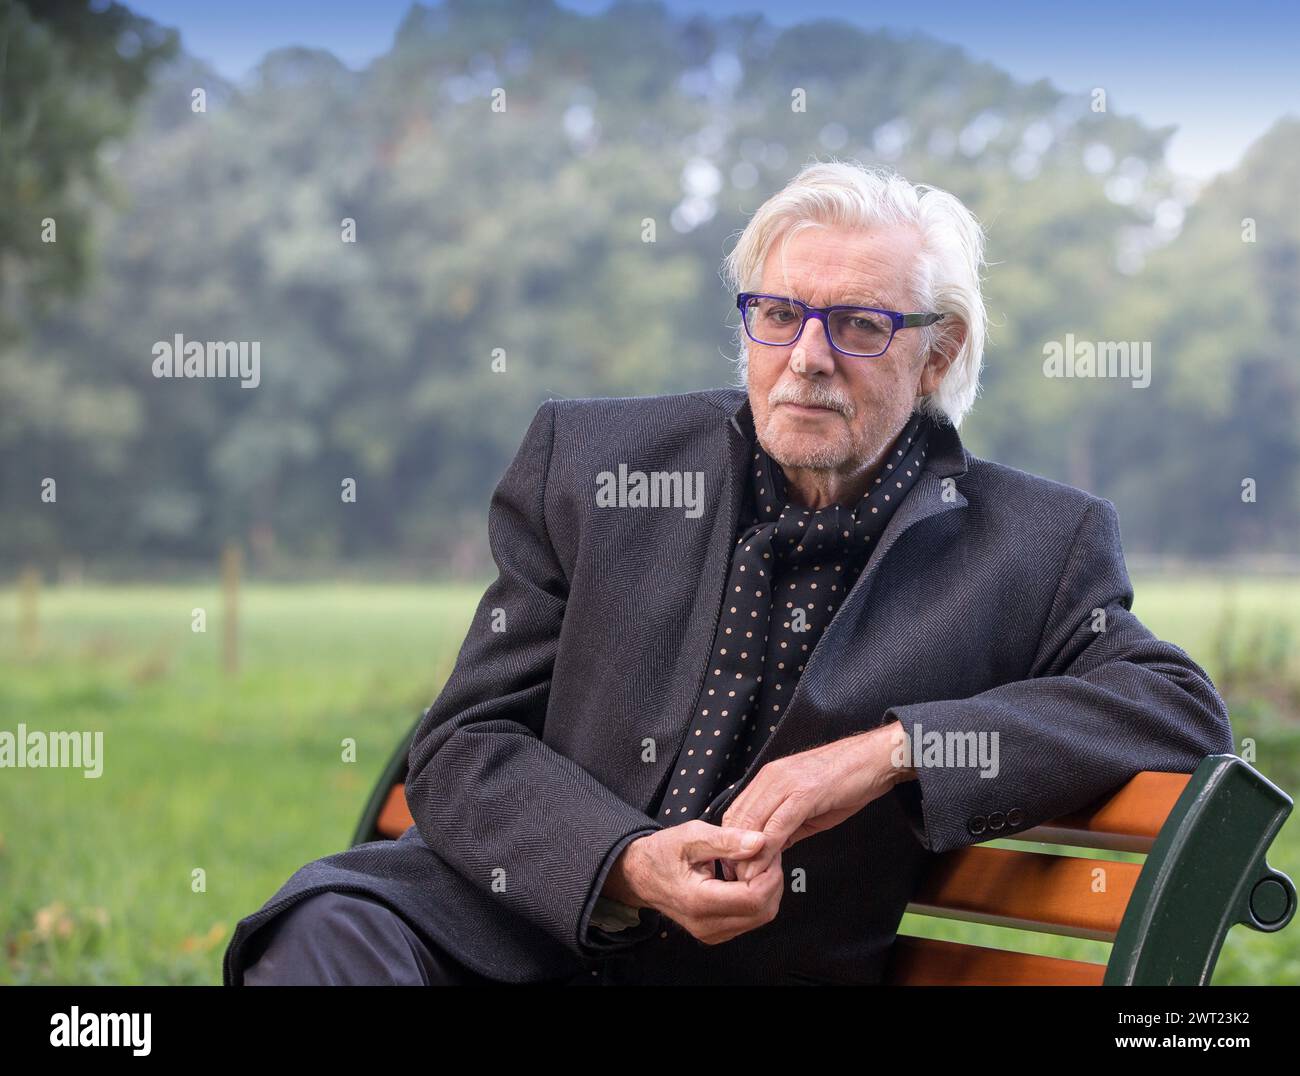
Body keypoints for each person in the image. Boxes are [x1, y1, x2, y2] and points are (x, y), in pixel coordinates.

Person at [224, 160, 1233, 986]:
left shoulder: (1033, 542)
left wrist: (887, 751)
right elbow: (461, 742)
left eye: (859, 324)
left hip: (760, 974)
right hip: (494, 930)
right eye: (777, 313)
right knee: (325, 936)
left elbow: (1176, 708)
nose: (807, 356)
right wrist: (621, 860)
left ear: (938, 354)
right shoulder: (589, 462)